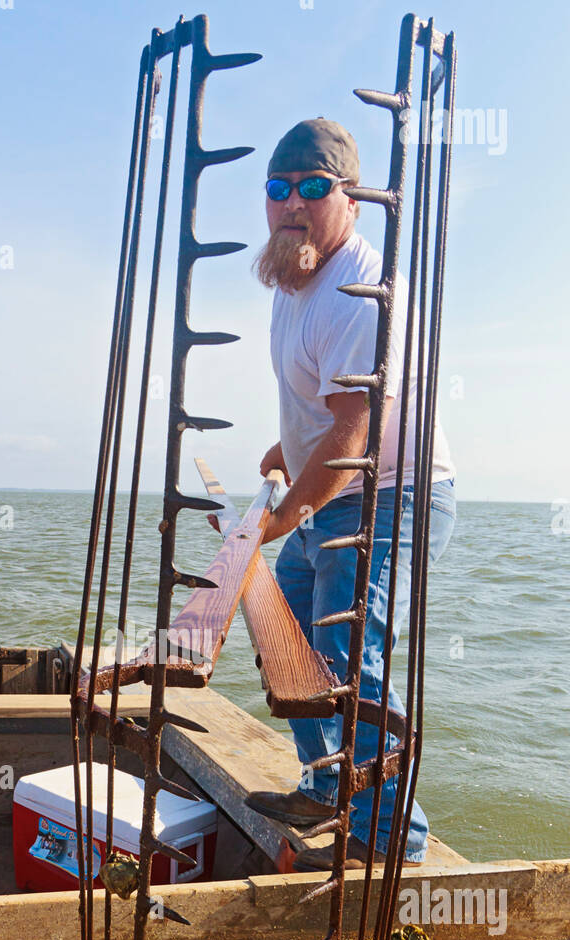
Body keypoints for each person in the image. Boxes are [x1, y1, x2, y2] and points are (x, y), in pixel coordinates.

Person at [244, 119, 456, 869]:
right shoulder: (290, 273)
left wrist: (275, 520)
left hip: (390, 495)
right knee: (286, 646)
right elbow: (315, 411)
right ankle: (326, 786)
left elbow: (351, 441)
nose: (291, 202)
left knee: (350, 655)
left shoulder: (361, 293)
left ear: (353, 200)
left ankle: (392, 835)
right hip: (326, 490)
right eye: (277, 188)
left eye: (312, 187)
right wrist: (283, 450)